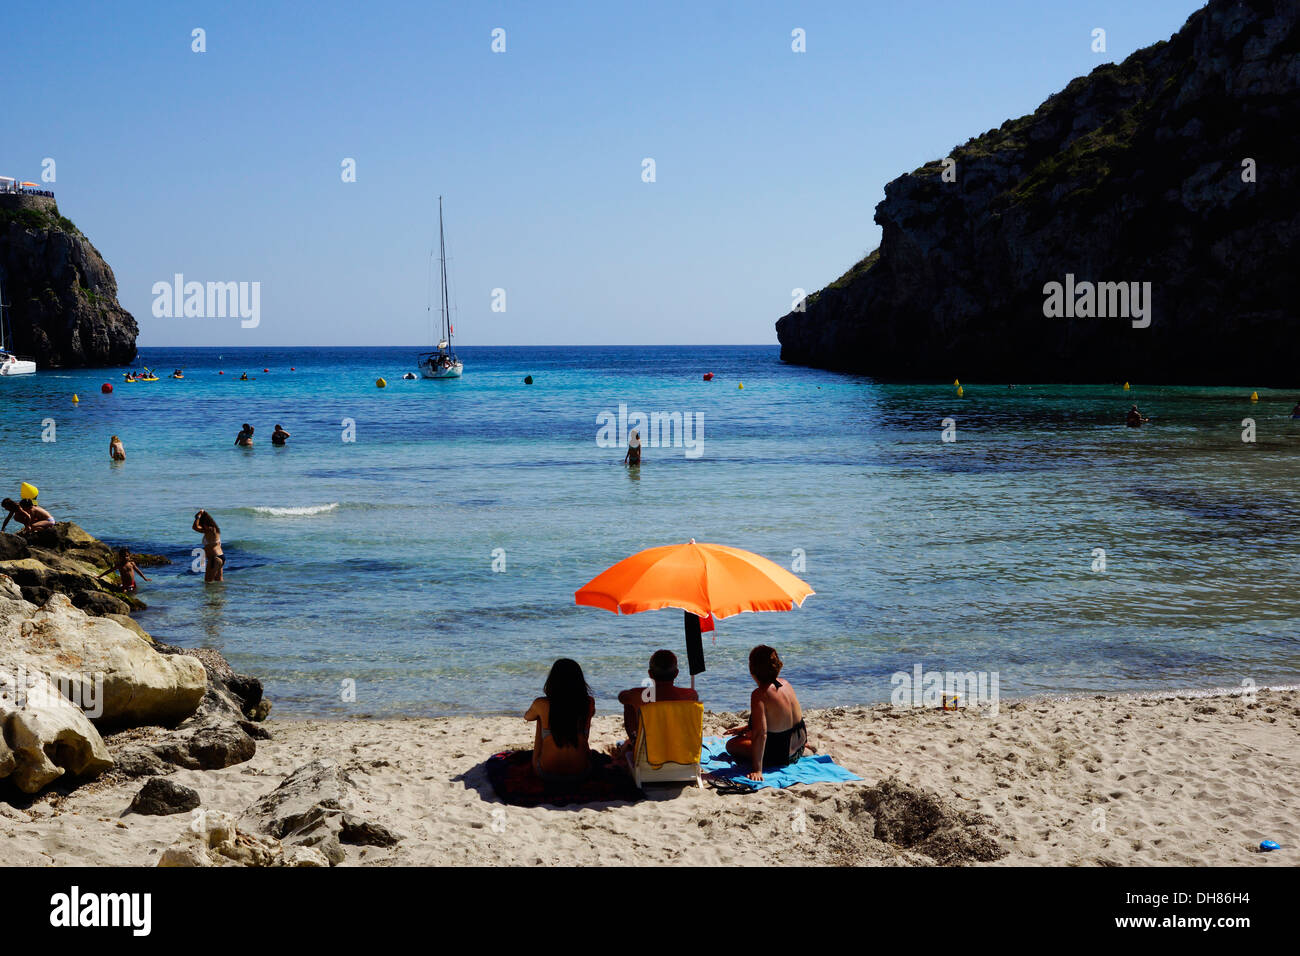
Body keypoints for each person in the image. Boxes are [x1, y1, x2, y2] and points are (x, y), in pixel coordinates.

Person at [722, 645, 809, 781]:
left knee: (732, 745)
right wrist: (746, 728)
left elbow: (760, 734)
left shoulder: (759, 694)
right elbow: (781, 718)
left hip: (780, 756)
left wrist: (757, 769)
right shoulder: (785, 684)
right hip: (799, 748)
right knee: (750, 735)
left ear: (752, 670)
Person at [612, 649, 698, 763]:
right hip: (680, 751)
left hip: (649, 753)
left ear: (650, 674)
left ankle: (634, 741)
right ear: (676, 673)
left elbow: (622, 697)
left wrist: (642, 691)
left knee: (629, 705)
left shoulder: (637, 695)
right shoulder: (690, 695)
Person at [524, 659, 596, 786]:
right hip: (582, 773)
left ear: (553, 680)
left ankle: (539, 758)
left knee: (540, 719)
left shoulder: (541, 703)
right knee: (582, 725)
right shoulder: (588, 702)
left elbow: (527, 717)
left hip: (545, 774)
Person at [192, 509, 224, 582]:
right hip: (220, 557)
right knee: (219, 581)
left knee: (208, 583)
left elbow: (195, 527)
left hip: (214, 558)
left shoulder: (210, 529)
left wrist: (198, 517)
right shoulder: (214, 530)